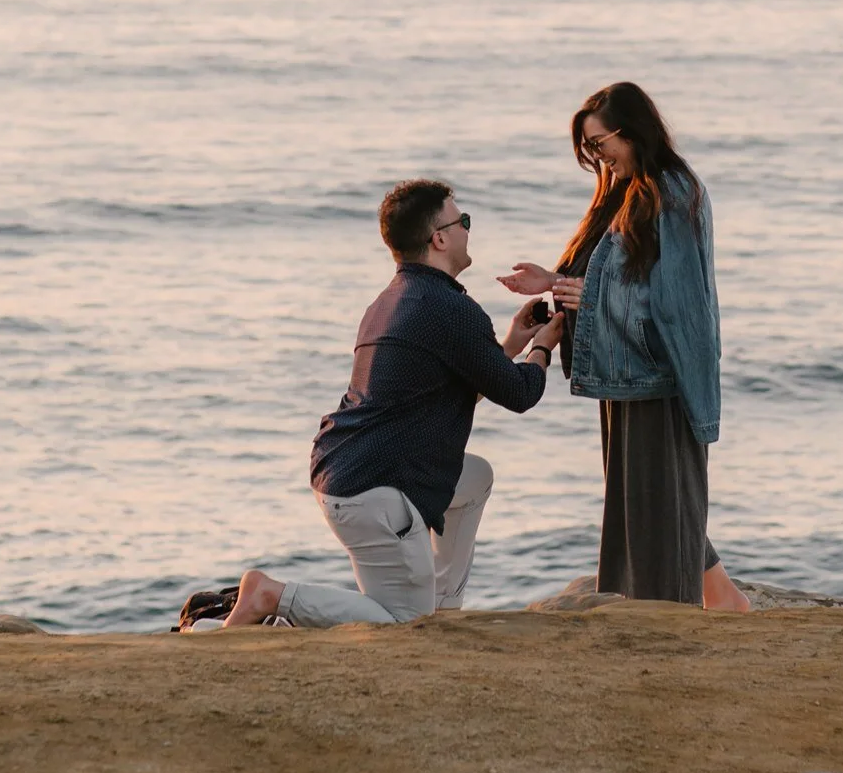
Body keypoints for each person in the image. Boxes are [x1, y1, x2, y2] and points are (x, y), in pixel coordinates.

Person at [223, 179, 562, 628]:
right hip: (374, 490)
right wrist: (543, 347)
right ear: (439, 239)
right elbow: (520, 394)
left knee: (475, 477)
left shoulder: (392, 301)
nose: (467, 229)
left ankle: (441, 604)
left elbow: (457, 388)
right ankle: (272, 595)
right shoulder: (450, 309)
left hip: (349, 471)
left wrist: (514, 342)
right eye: (462, 220)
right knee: (403, 622)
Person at [499, 83, 750, 611]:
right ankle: (721, 597)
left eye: (600, 143)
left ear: (632, 132)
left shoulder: (673, 194)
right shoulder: (629, 190)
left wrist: (587, 297)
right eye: (589, 148)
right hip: (628, 376)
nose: (597, 157)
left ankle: (679, 616)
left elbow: (677, 302)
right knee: (648, 506)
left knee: (660, 507)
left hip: (657, 379)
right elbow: (615, 276)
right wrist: (554, 281)